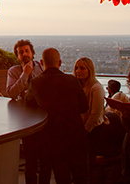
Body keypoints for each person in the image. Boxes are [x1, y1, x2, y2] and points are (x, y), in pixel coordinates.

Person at [26, 48, 89, 184]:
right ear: (60, 62)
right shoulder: (72, 81)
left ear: (42, 62)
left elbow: (27, 104)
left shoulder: (36, 83)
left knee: (62, 177)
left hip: (52, 139)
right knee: (81, 176)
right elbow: (84, 107)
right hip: (76, 136)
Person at [6, 39, 48, 184]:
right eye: (21, 52)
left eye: (26, 51)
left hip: (44, 118)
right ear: (17, 56)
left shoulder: (42, 68)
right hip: (26, 119)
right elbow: (11, 93)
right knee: (30, 159)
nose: (24, 54)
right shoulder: (13, 71)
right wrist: (24, 75)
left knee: (45, 159)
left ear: (32, 53)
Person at [74, 57, 105, 133]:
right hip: (79, 128)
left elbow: (95, 115)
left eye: (82, 68)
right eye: (76, 68)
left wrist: (84, 131)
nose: (78, 71)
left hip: (93, 130)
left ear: (90, 70)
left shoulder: (96, 88)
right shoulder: (77, 86)